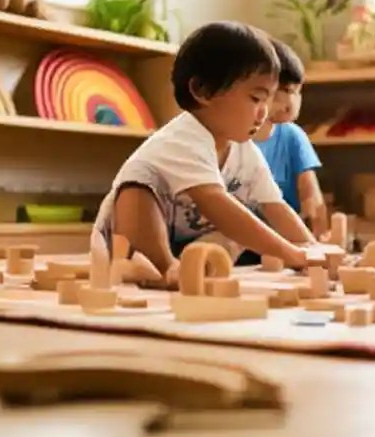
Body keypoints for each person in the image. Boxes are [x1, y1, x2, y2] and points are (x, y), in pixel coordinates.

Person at [93, 21, 316, 281]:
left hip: (187, 247)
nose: (264, 112)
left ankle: (187, 270)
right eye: (256, 98)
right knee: (137, 188)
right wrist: (291, 254)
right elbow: (217, 206)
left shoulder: (245, 150)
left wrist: (312, 250)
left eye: (267, 100)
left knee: (238, 231)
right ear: (203, 91)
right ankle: (163, 269)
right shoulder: (184, 138)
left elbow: (275, 207)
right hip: (128, 245)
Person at [253, 39, 329, 238]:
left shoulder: (293, 136)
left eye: (298, 92)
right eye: (285, 91)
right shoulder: (237, 139)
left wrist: (318, 238)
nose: (292, 101)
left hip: (289, 235)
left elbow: (311, 195)